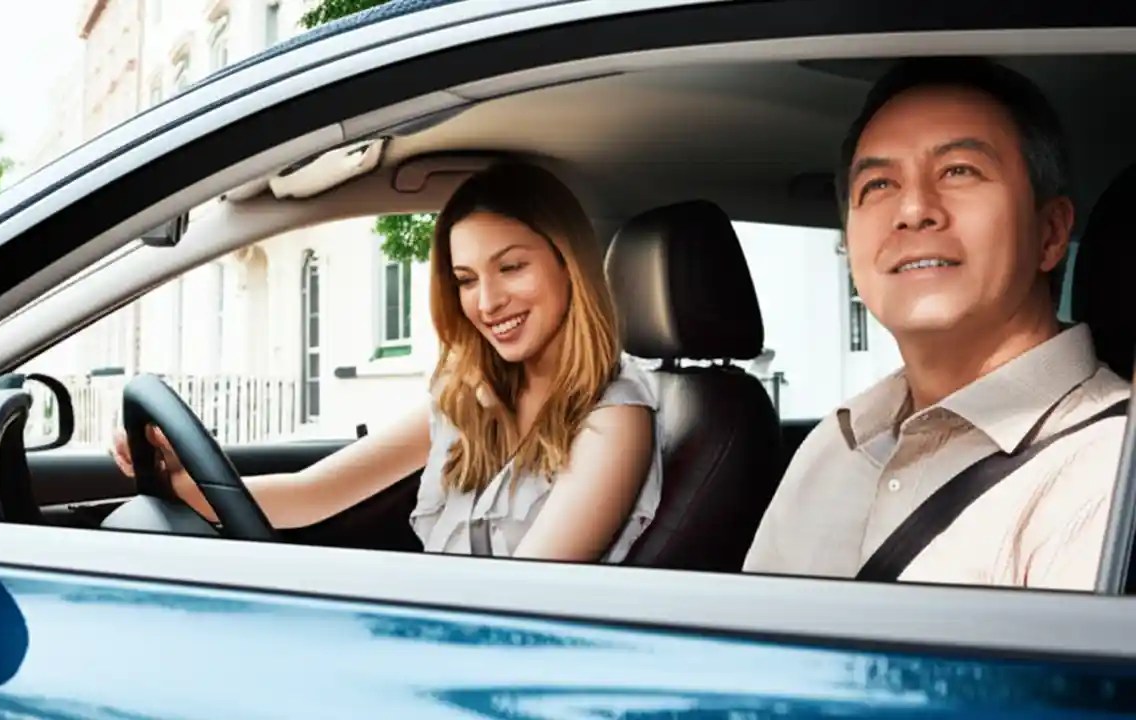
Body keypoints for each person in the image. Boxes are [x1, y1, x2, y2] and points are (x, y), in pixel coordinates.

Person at [112, 162, 662, 563]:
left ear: (570, 265)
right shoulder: (468, 396)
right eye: (466, 280)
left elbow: (526, 601)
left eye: (512, 267)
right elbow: (312, 494)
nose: (488, 303)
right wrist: (173, 477)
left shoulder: (614, 419)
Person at [743, 57, 1131, 590]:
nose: (914, 209)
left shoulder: (1110, 467)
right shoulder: (834, 444)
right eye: (878, 185)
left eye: (959, 171)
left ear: (1050, 233)